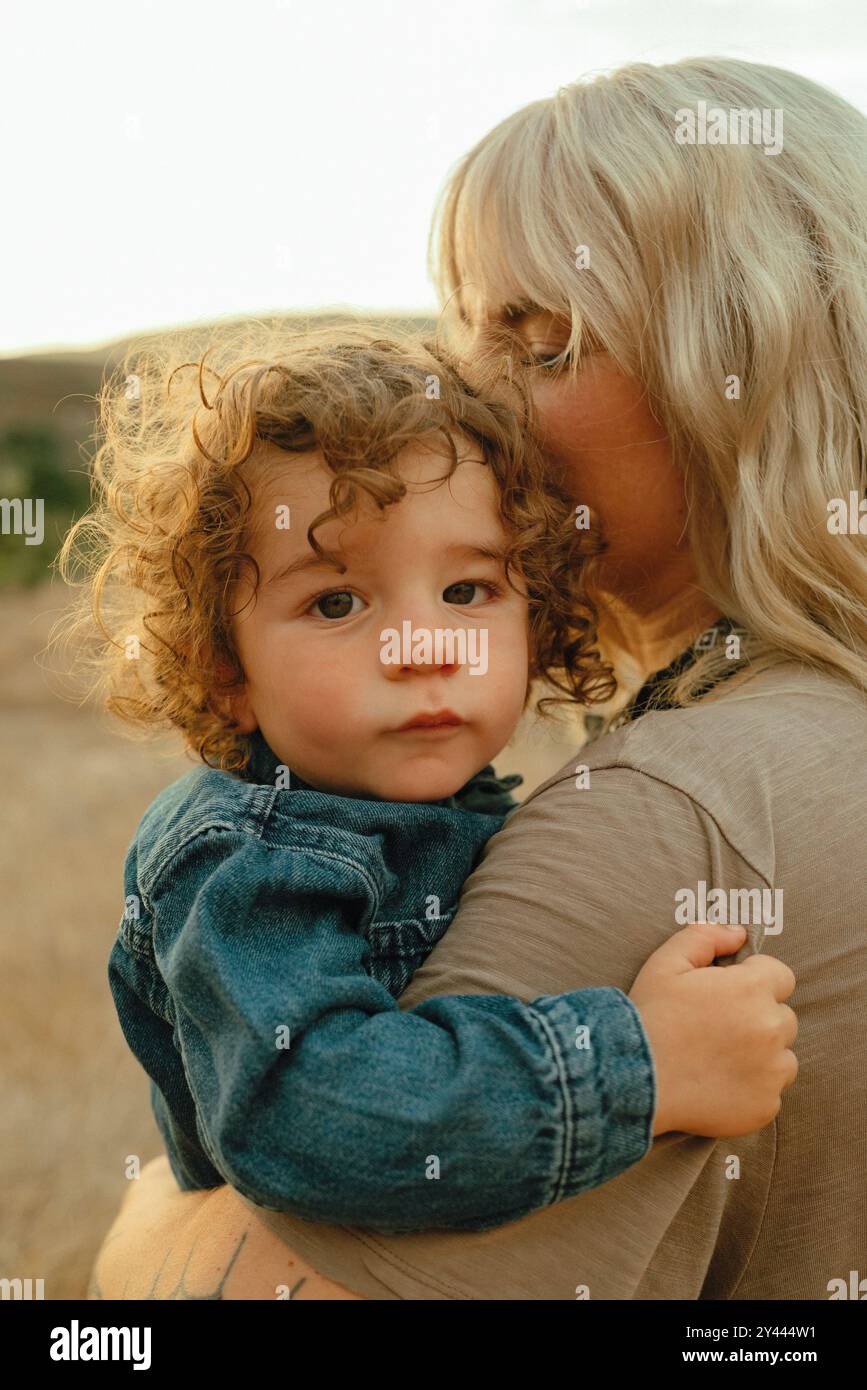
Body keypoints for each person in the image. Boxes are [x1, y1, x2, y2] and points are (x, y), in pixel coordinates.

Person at [88, 54, 867, 1299]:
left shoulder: (688, 803)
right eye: (470, 335)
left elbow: (252, 1285)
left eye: (539, 340)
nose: (473, 401)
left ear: (752, 365)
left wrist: (138, 1238)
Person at [62, 321, 791, 1239]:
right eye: (335, 602)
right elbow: (311, 1118)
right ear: (224, 673)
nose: (423, 648)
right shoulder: (241, 861)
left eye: (467, 592)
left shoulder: (492, 812)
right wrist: (639, 1066)